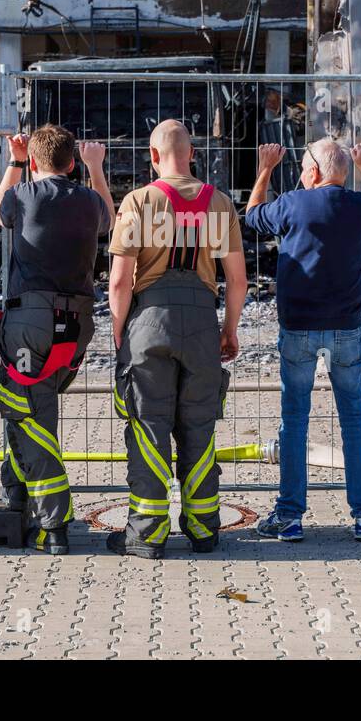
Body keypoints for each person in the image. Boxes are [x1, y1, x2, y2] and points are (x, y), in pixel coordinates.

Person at [107, 119, 247, 559]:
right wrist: (228, 330)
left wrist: (121, 338)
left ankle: (146, 535)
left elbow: (119, 282)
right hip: (203, 324)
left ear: (153, 156)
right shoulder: (219, 203)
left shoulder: (139, 200)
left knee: (149, 428)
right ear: (192, 154)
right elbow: (238, 280)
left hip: (149, 323)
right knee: (199, 429)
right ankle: (205, 530)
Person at [245, 138, 361, 542]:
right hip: (347, 327)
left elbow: (252, 216)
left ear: (312, 171)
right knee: (354, 421)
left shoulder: (292, 203)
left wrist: (266, 168)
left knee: (294, 421)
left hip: (298, 327)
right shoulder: (359, 207)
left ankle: (289, 515)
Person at [0, 125, 114, 554]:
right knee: (27, 408)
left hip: (31, 320)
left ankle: (54, 523)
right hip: (77, 323)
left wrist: (14, 160)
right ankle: (17, 492)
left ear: (36, 164)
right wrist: (97, 169)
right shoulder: (87, 200)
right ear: (74, 162)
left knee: (31, 417)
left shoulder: (24, 195)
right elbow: (109, 220)